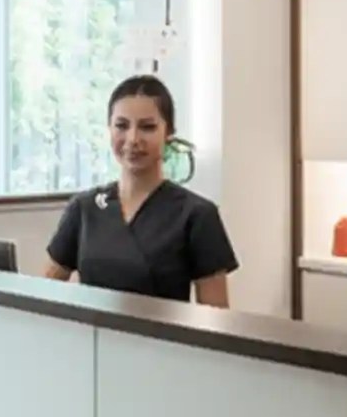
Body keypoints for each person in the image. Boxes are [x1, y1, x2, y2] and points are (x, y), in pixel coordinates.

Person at [42, 75, 238, 307]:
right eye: (121, 126)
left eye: (147, 127)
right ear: (109, 130)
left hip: (161, 342)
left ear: (169, 133)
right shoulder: (84, 209)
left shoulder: (197, 215)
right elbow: (44, 296)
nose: (133, 139)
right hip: (91, 340)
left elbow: (216, 319)